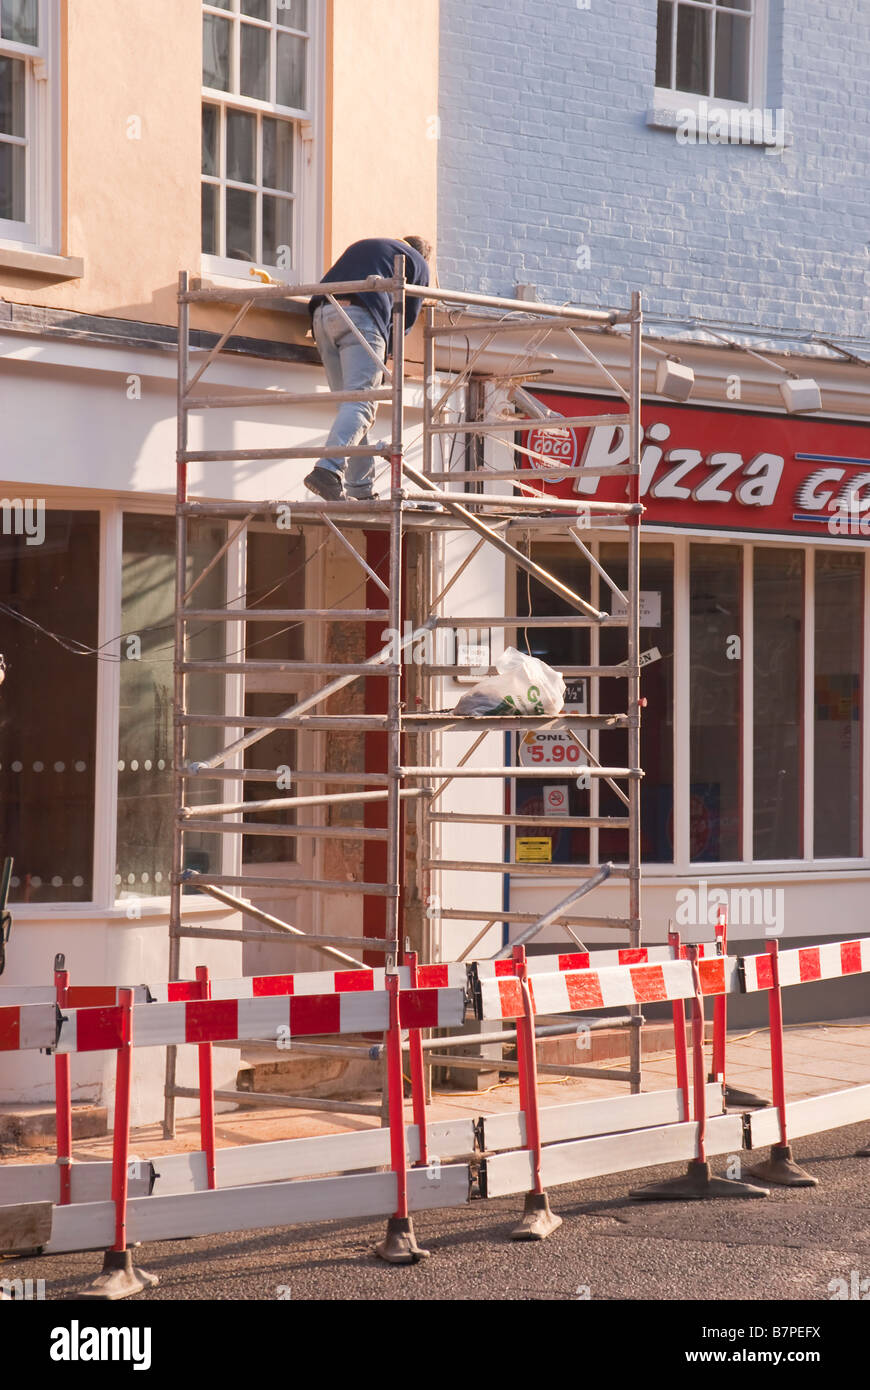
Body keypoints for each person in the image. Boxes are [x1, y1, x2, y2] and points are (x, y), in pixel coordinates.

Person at [304, 236, 432, 501]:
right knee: (362, 404)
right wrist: (386, 355)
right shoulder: (419, 264)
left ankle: (359, 491)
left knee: (352, 406)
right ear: (424, 255)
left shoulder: (369, 246)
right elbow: (404, 321)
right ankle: (327, 470)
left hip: (321, 315)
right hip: (360, 317)